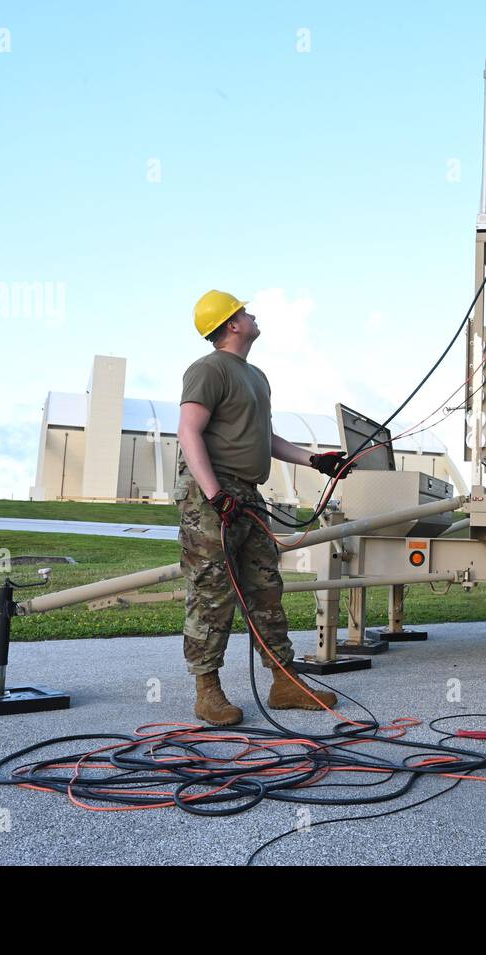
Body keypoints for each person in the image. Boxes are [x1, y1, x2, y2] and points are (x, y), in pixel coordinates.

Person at [176, 289, 354, 726]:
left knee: (265, 588)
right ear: (232, 324)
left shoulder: (256, 376)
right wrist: (216, 494)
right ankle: (208, 691)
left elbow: (264, 439)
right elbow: (188, 431)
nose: (252, 314)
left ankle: (284, 682)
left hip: (247, 494)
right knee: (212, 590)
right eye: (244, 311)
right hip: (210, 496)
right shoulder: (208, 369)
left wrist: (314, 460)